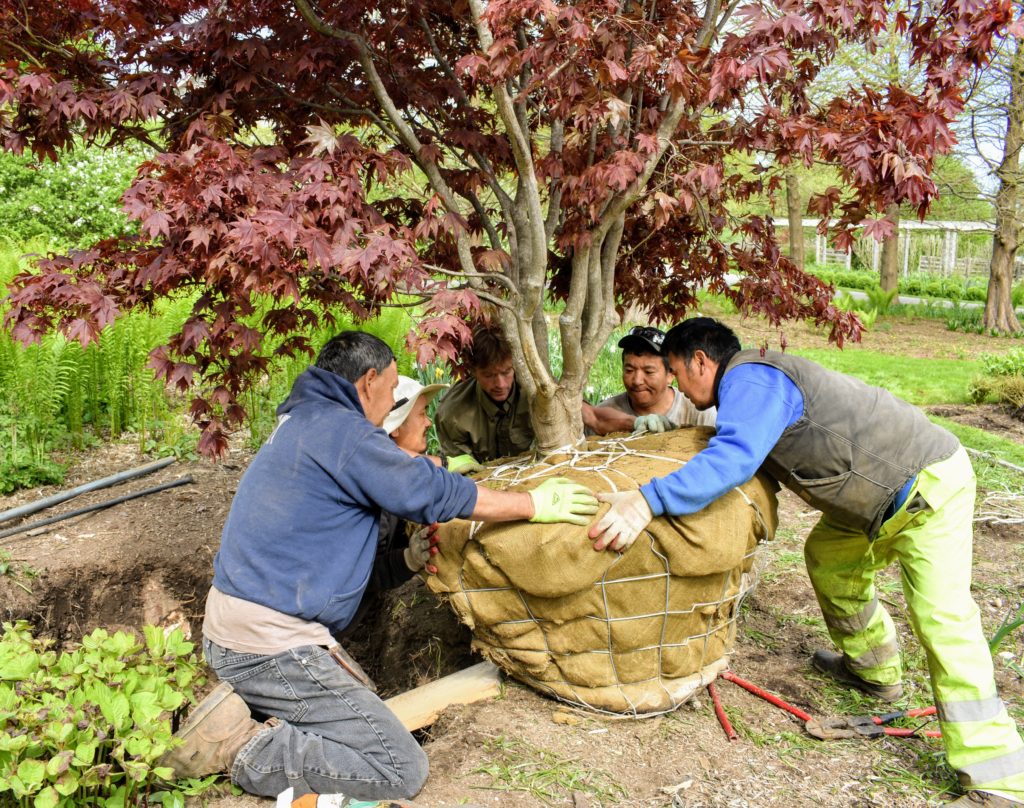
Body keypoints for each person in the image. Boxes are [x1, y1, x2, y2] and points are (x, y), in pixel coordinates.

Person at [588, 317, 1024, 807]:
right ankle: (874, 671)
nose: (675, 384)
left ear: (700, 362)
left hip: (925, 488)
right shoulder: (749, 386)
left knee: (944, 622)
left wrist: (647, 500)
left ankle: (998, 779)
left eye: (672, 370)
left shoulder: (751, 380)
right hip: (875, 501)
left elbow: (733, 459)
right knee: (828, 558)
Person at [160, 331, 599, 804]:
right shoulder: (341, 431)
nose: (394, 402)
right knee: (400, 766)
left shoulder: (304, 420)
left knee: (367, 706)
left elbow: (383, 513)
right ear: (368, 381)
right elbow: (429, 493)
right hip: (269, 646)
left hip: (246, 632)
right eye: (392, 389)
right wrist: (531, 504)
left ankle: (261, 715)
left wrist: (410, 556)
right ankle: (238, 746)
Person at [583, 325, 717, 436]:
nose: (637, 381)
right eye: (629, 370)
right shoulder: (605, 414)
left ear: (670, 374)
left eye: (649, 372)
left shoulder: (699, 413)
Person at [435, 324, 534, 467]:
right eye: (489, 375)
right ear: (473, 372)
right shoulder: (453, 414)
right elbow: (463, 474)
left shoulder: (536, 395)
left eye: (506, 372)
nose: (500, 384)